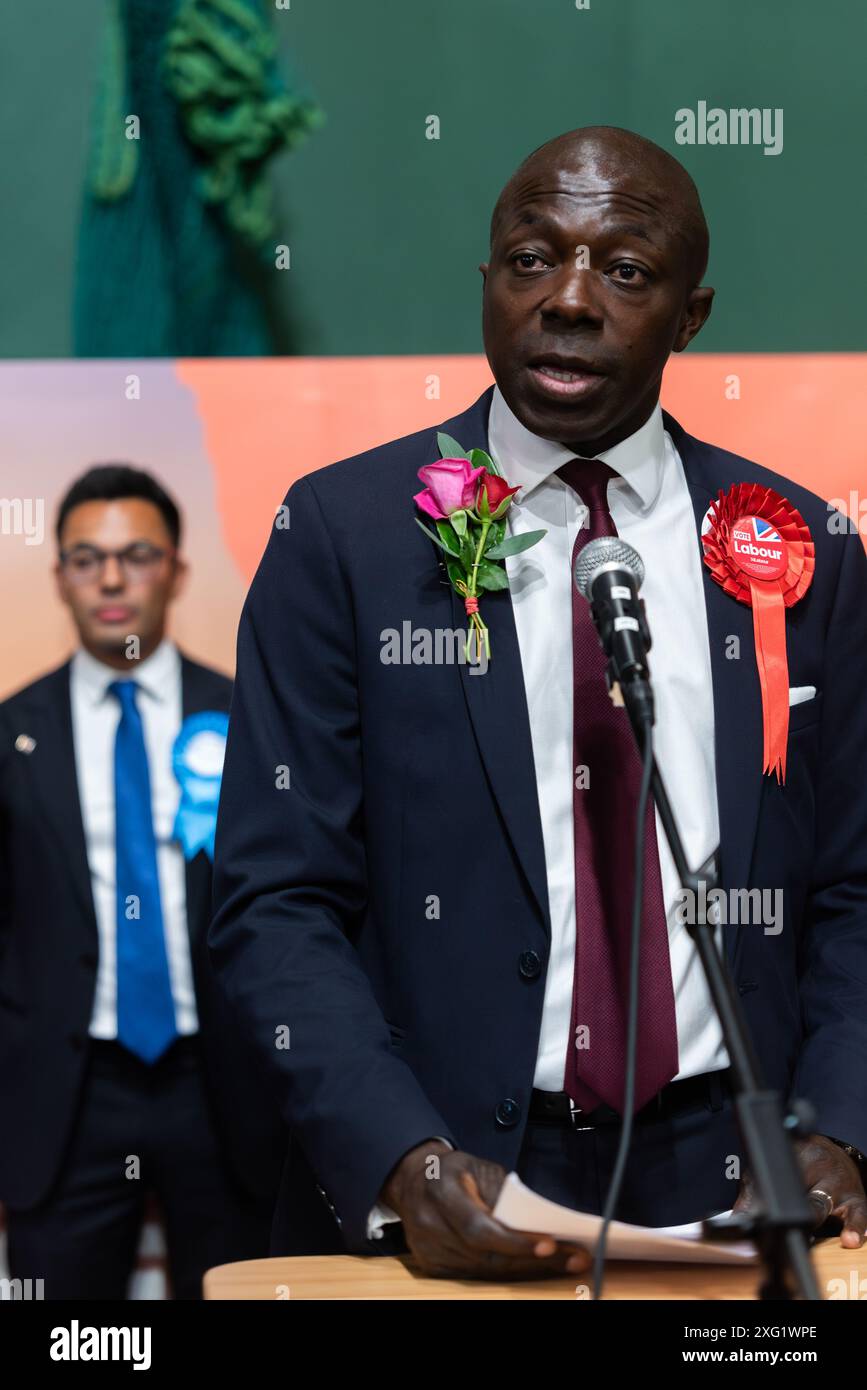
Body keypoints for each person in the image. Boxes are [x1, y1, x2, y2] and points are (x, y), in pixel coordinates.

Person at [210, 127, 867, 1281]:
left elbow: (857, 887)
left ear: (692, 315)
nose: (568, 299)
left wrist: (836, 1125)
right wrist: (398, 1156)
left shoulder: (799, 547)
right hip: (451, 1182)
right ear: (488, 282)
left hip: (735, 1190)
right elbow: (276, 898)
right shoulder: (343, 537)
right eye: (531, 257)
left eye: (624, 270)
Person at [0, 466, 285, 1298]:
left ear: (177, 569)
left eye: (137, 555)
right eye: (87, 559)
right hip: (66, 1096)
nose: (113, 579)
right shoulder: (12, 733)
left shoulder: (247, 719)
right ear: (58, 577)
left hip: (224, 1089)